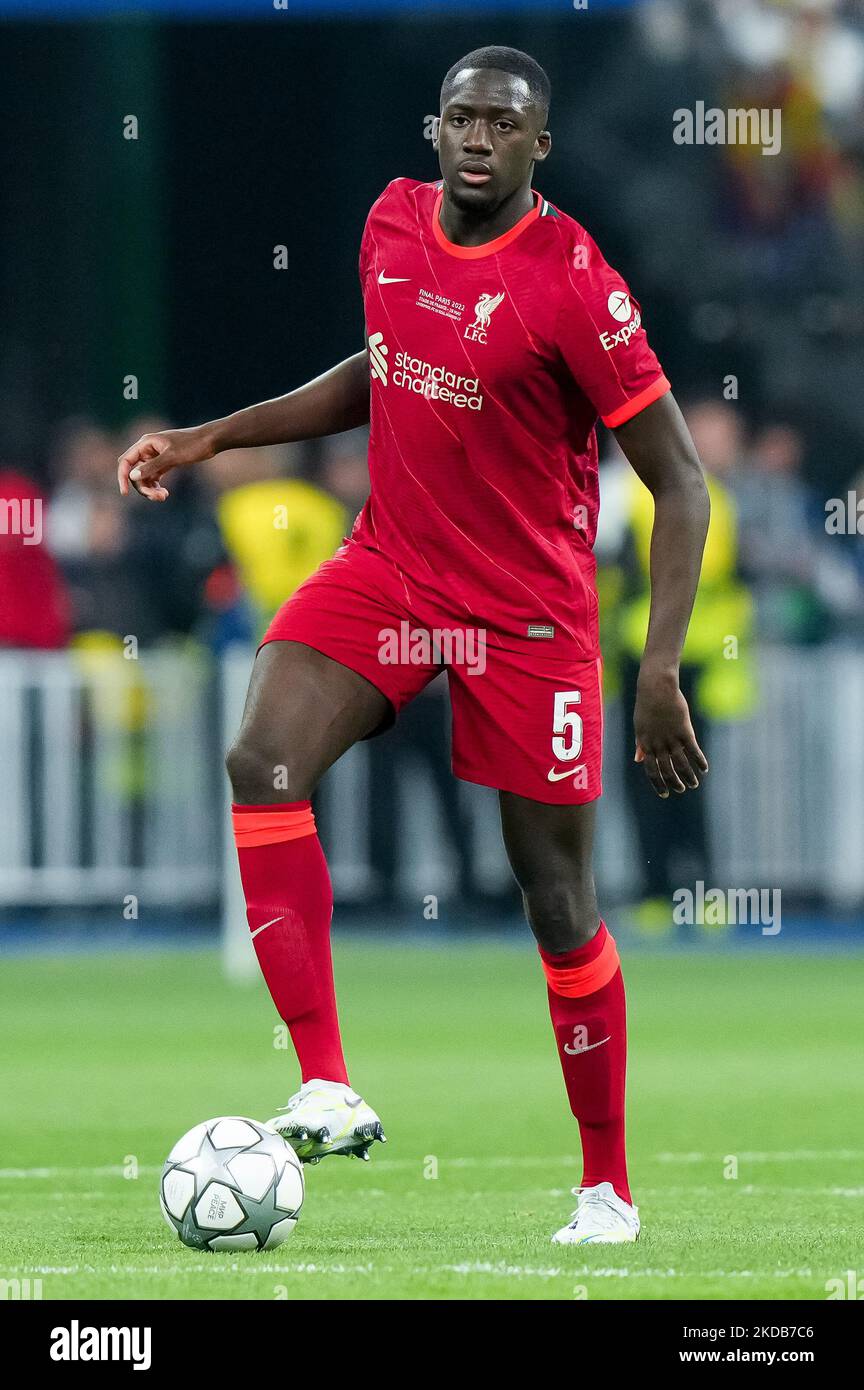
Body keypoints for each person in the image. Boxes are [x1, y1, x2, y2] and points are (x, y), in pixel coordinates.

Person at [118, 46, 710, 1246]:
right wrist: (214, 436)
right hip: (393, 565)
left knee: (557, 901)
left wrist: (657, 669)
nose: (478, 137)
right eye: (459, 118)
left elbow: (682, 483)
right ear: (433, 130)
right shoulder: (390, 224)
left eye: (503, 122)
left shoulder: (576, 284)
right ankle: (326, 1077)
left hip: (530, 612)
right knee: (261, 758)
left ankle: (608, 1186)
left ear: (540, 144)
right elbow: (379, 373)